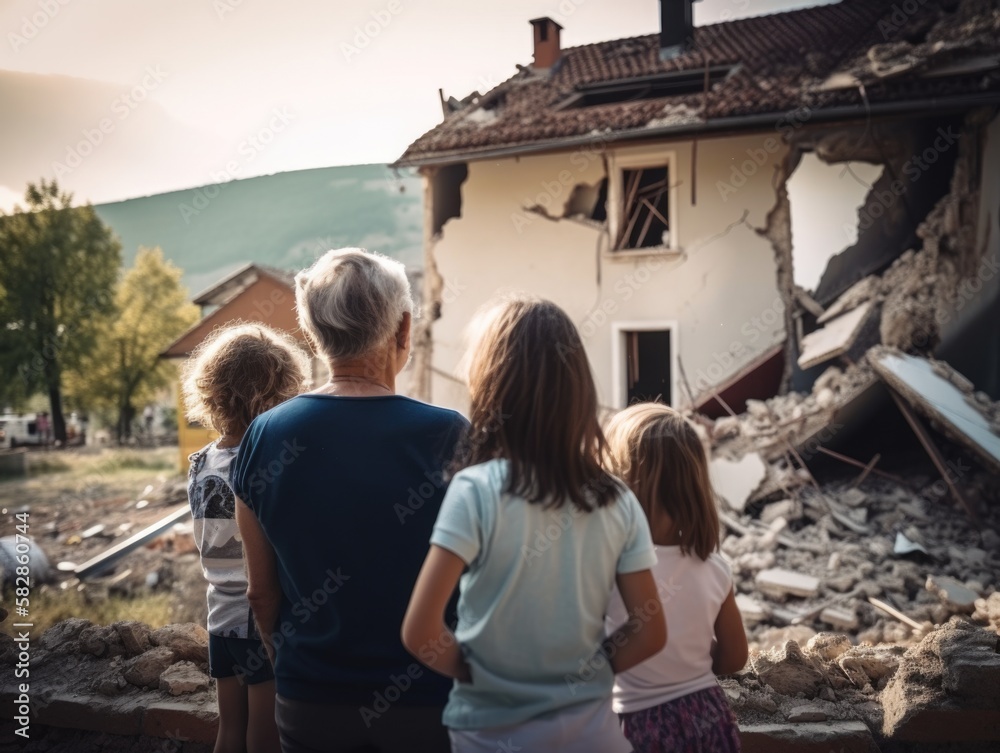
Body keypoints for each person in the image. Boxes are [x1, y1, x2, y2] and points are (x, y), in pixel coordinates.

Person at [402, 295, 667, 753]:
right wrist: (591, 667)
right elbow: (649, 632)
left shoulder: (475, 491)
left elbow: (420, 632)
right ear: (578, 388)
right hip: (593, 737)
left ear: (491, 387)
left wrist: (482, 672)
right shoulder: (617, 498)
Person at [231, 248, 468, 753]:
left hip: (312, 701)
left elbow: (260, 594)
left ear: (315, 336)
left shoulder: (264, 436)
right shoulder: (450, 434)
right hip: (429, 701)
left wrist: (294, 668)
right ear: (403, 329)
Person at [182, 322, 311, 753]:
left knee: (230, 730)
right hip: (260, 623)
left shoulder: (199, 462)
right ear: (282, 396)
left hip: (219, 616)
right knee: (265, 734)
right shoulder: (266, 464)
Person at [604, 403, 748, 753]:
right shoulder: (713, 567)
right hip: (708, 717)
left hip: (636, 724)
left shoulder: (606, 569)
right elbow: (734, 658)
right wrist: (689, 651)